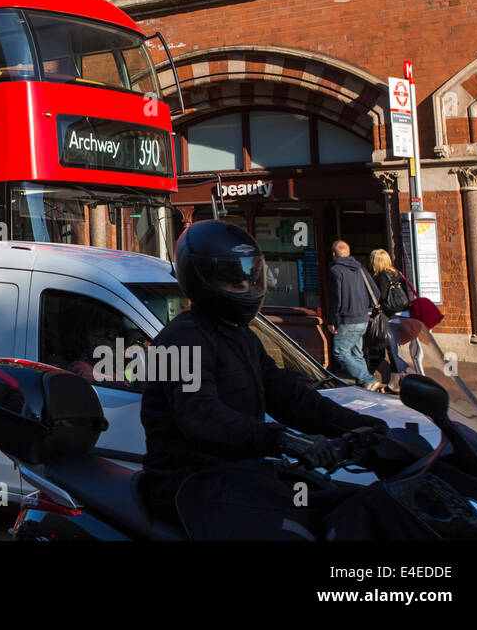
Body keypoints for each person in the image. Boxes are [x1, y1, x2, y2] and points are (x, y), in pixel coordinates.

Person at [141, 220, 388, 539]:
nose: (245, 288)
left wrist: (360, 426)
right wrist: (283, 439)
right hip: (191, 486)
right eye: (234, 281)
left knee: (344, 508)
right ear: (201, 280)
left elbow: (290, 396)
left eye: (249, 277)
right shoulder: (181, 339)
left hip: (239, 477)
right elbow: (202, 416)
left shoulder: (241, 336)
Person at [326, 240, 382, 390]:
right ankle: (364, 385)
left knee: (340, 352)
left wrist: (331, 320)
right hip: (363, 319)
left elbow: (335, 299)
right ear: (349, 253)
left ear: (333, 254)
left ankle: (367, 379)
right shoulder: (361, 269)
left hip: (347, 320)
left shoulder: (336, 271)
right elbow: (376, 292)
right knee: (357, 352)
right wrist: (369, 308)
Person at [370, 248, 421, 384]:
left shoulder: (381, 276)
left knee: (392, 349)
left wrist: (374, 310)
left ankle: (407, 375)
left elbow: (383, 297)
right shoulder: (397, 273)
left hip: (391, 315)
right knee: (396, 349)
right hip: (404, 313)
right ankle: (395, 382)